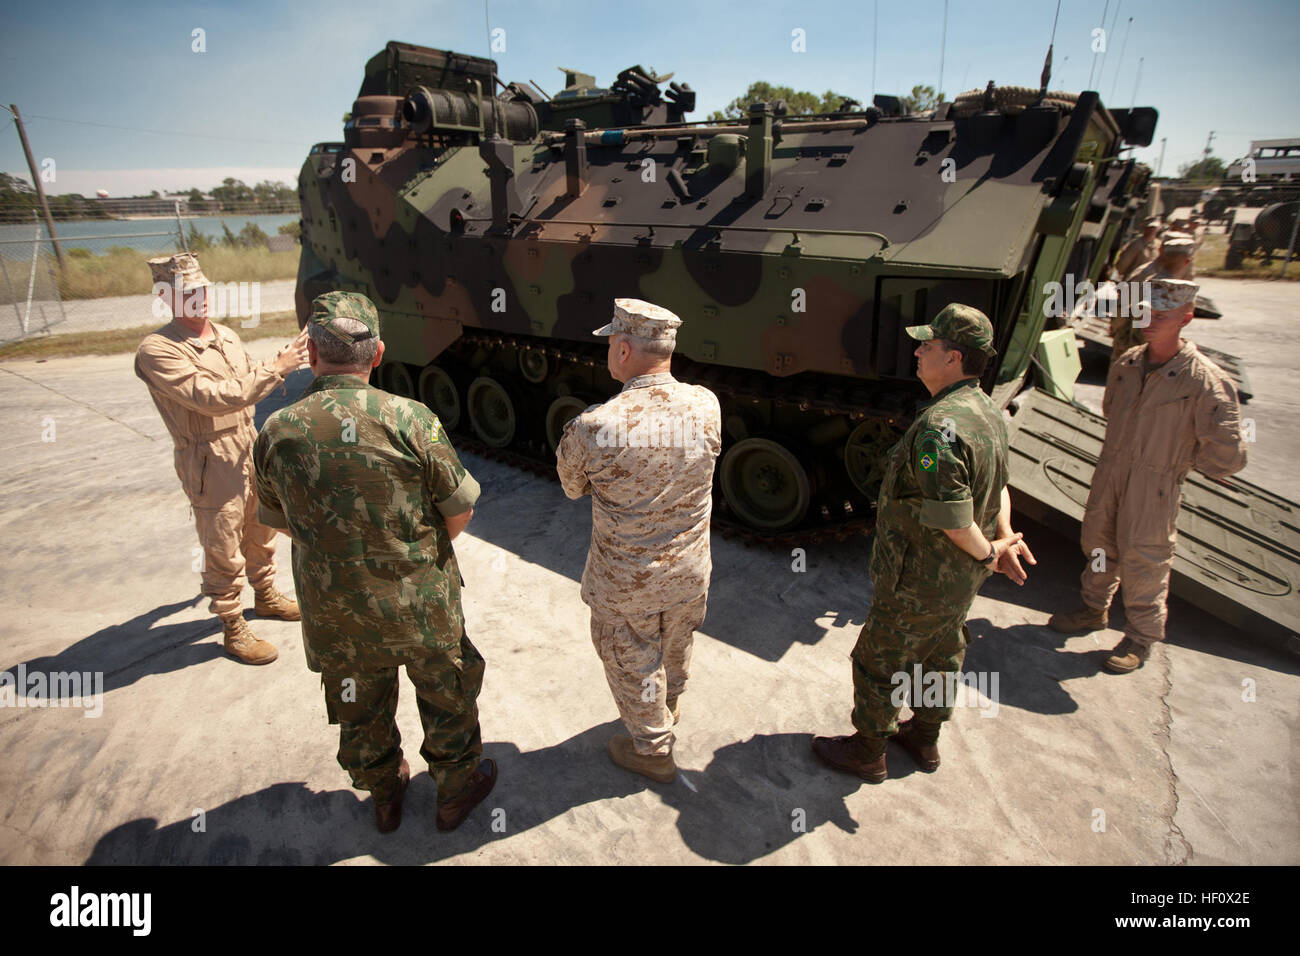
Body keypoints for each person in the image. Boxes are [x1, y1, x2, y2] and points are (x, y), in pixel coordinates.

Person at [253, 292, 495, 832]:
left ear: (311, 353)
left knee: (358, 707)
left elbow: (279, 518)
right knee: (447, 694)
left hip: (336, 613)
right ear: (379, 353)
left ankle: (385, 797)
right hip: (422, 606)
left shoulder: (277, 429)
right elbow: (460, 509)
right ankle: (454, 793)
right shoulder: (411, 418)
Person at [812, 304, 1034, 783]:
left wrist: (992, 552)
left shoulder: (938, 429)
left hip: (920, 576)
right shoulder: (986, 409)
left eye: (927, 346)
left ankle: (869, 750)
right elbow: (997, 490)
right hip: (958, 581)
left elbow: (954, 518)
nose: (916, 351)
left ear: (953, 358)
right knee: (941, 651)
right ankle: (925, 737)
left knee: (879, 660)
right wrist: (1000, 539)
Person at [555, 298, 721, 784]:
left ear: (624, 350)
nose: (609, 349)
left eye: (611, 342)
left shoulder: (596, 426)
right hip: (690, 571)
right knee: (675, 644)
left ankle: (651, 749)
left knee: (631, 658)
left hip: (627, 582)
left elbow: (571, 486)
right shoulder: (706, 403)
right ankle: (665, 710)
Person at [1048, 279, 1247, 672]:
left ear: (1186, 318)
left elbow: (1229, 453)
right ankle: (1093, 609)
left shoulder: (1204, 380)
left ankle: (1141, 637)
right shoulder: (1127, 363)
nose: (1148, 320)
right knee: (1100, 544)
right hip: (1112, 472)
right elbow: (1111, 410)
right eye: (1144, 311)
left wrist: (1182, 463)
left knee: (1145, 560)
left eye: (1162, 315)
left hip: (1154, 485)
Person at [134, 252, 307, 664]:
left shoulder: (226, 335)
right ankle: (232, 625)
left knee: (260, 527)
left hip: (248, 443)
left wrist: (286, 359)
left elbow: (249, 377)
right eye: (186, 292)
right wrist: (278, 369)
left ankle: (265, 596)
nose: (199, 297)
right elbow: (210, 399)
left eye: (202, 289)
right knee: (222, 542)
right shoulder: (157, 350)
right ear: (165, 297)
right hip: (208, 456)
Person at [1112, 234, 1197, 358]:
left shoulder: (1142, 276)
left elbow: (1120, 311)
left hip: (1128, 348)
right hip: (1152, 353)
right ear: (1187, 261)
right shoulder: (1182, 292)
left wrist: (1118, 335)